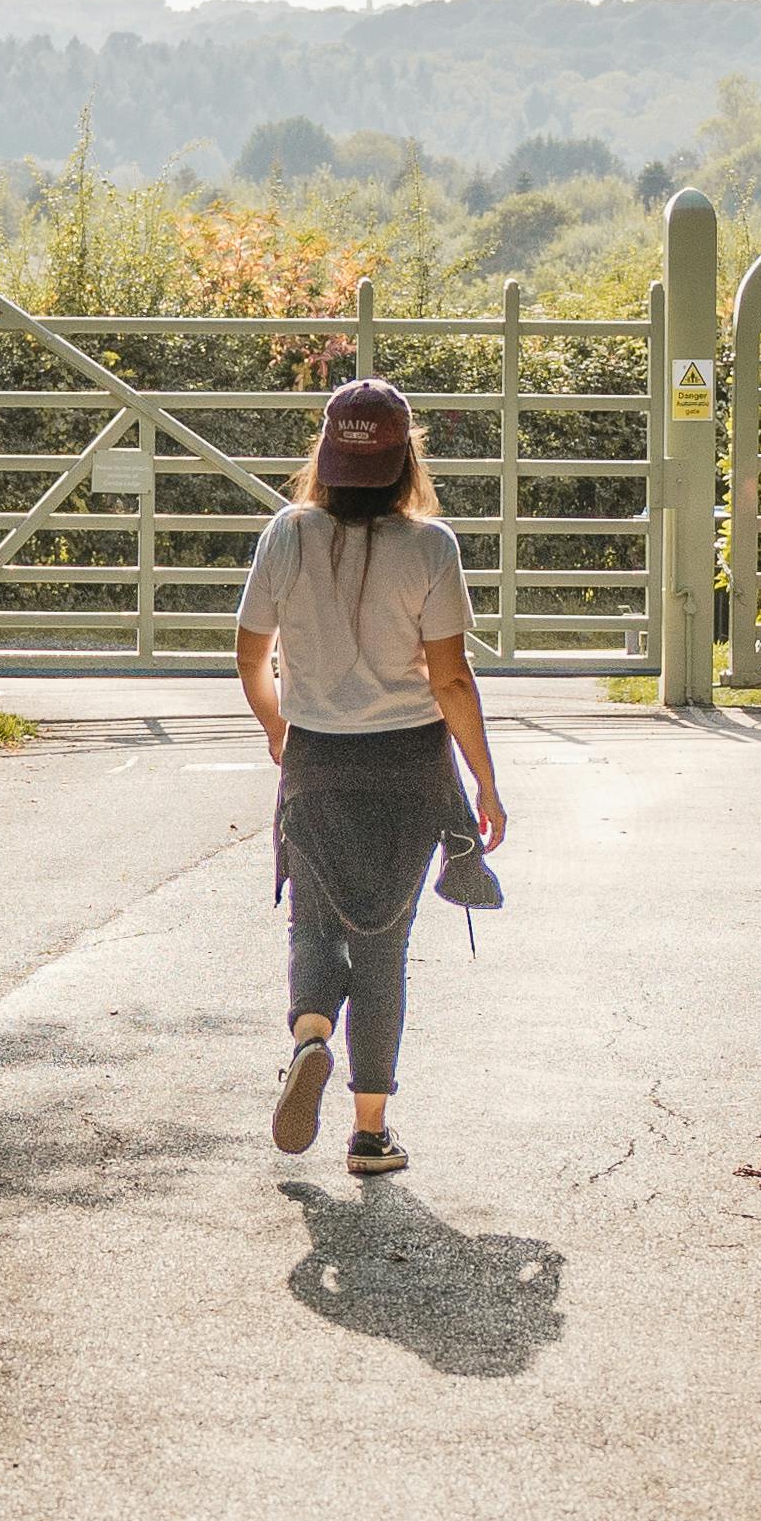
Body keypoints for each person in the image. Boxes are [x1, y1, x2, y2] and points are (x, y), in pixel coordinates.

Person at [235, 374, 505, 1172]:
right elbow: (451, 679)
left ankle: (311, 1035)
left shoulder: (286, 534)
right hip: (409, 767)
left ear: (325, 456)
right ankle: (369, 1132)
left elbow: (251, 656)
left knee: (314, 925)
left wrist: (278, 729)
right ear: (403, 461)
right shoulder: (431, 546)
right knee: (385, 946)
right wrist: (484, 782)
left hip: (317, 759)